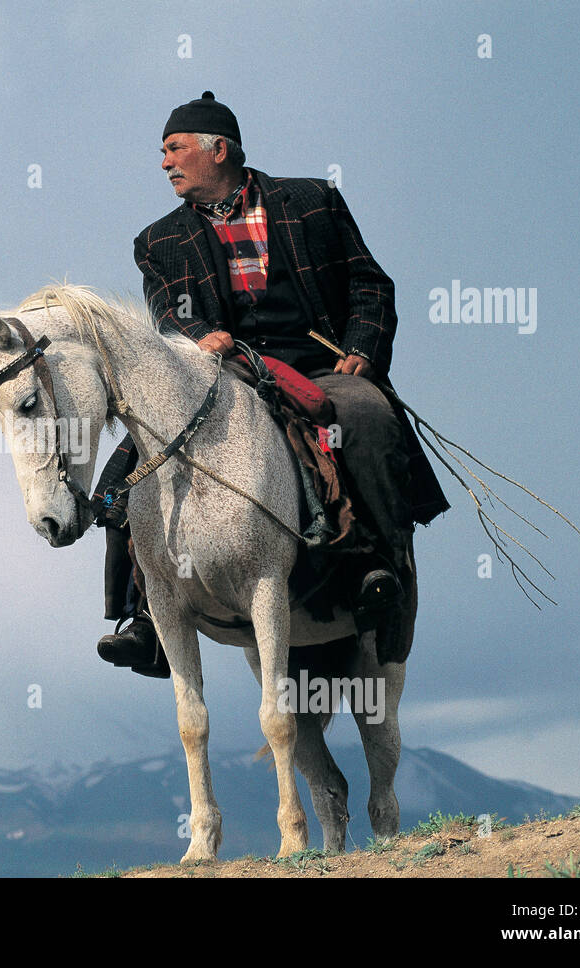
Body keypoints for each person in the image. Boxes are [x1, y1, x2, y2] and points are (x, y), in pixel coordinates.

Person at [97, 91, 450, 678]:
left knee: (364, 418)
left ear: (219, 149)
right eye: (163, 152)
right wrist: (200, 334)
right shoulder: (156, 241)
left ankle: (378, 569)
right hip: (224, 373)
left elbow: (370, 284)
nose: (164, 163)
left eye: (174, 149)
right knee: (134, 460)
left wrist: (362, 348)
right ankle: (145, 618)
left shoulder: (313, 201)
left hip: (321, 366)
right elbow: (166, 314)